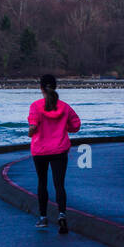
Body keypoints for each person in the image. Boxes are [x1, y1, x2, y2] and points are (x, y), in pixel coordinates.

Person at [28, 74, 80, 234]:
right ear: (55, 87)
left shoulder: (36, 106)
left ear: (41, 88)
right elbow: (76, 125)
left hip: (40, 150)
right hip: (59, 149)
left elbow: (33, 126)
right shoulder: (65, 107)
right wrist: (64, 129)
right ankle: (62, 215)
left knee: (42, 183)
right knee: (59, 184)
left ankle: (43, 218)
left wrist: (31, 132)